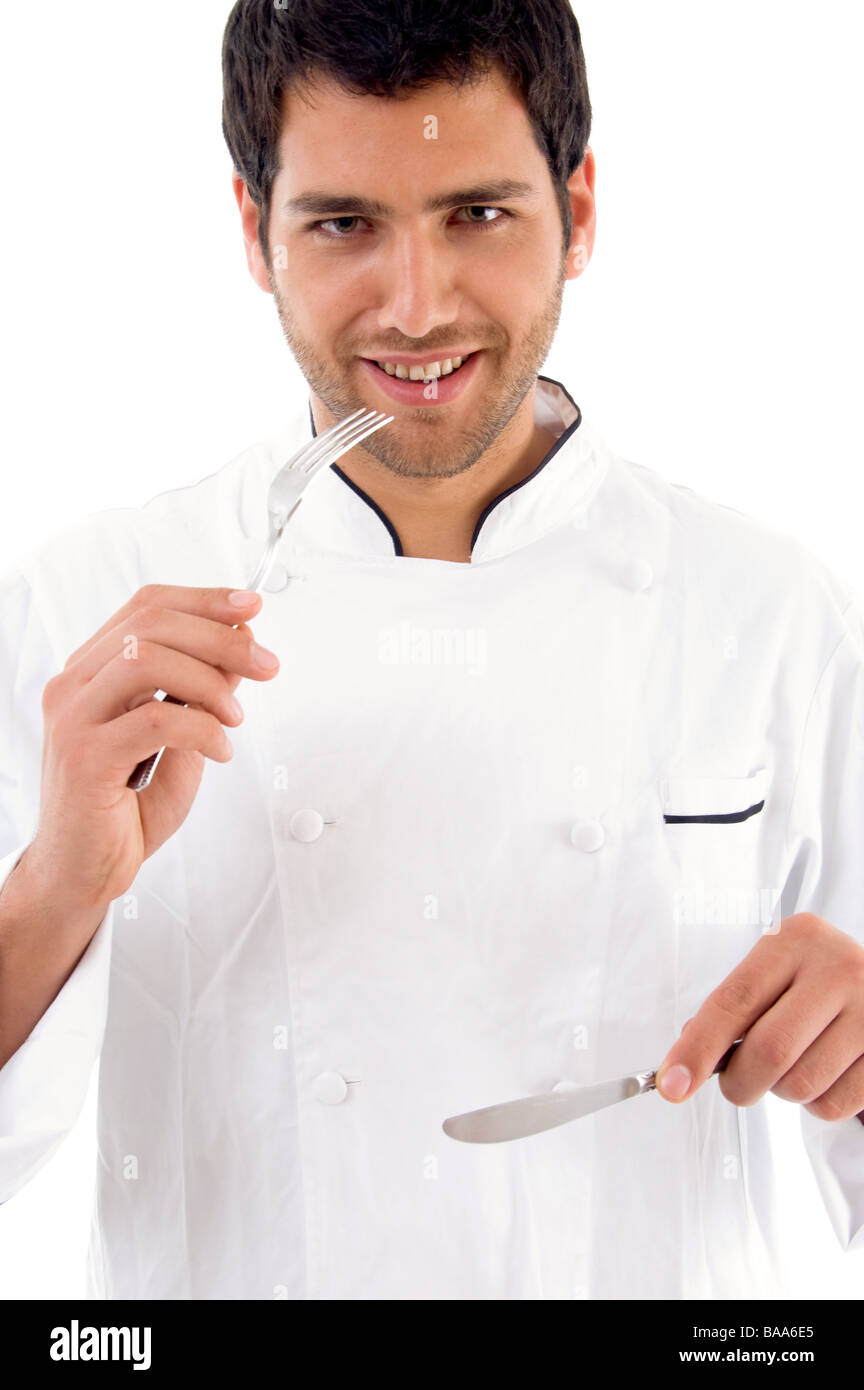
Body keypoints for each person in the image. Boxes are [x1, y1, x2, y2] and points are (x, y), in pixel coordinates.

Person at [0, 0, 862, 1301]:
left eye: (478, 213)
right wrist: (58, 884)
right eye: (345, 223)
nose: (416, 308)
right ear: (253, 229)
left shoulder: (770, 611)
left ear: (580, 210)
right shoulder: (89, 606)